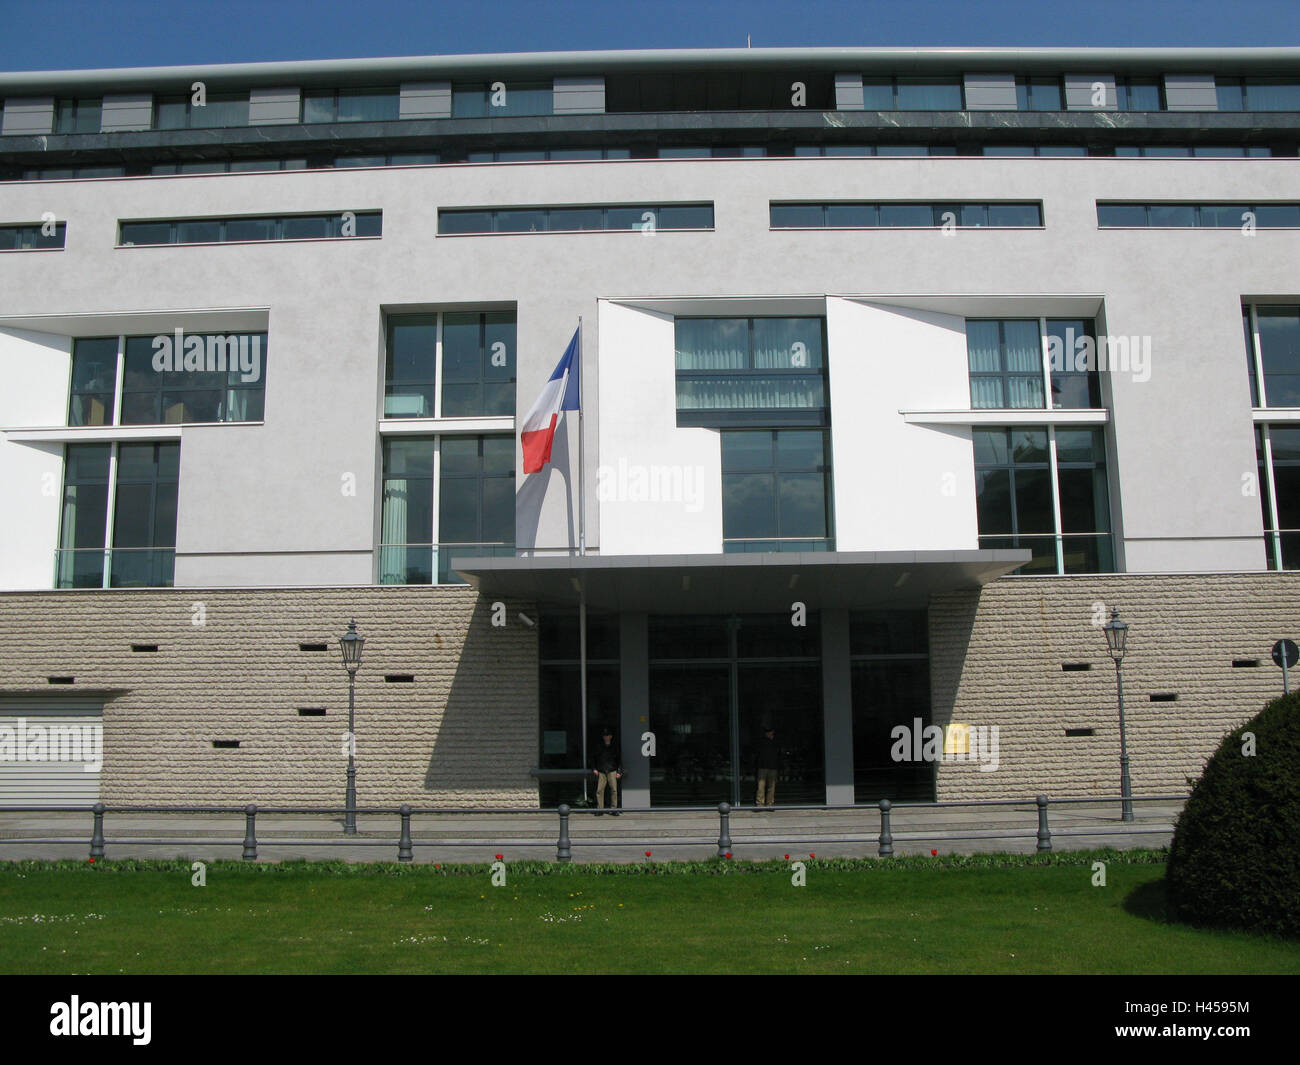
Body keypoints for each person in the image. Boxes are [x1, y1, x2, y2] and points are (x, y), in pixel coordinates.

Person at [591, 728, 622, 815]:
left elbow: (619, 760)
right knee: (600, 790)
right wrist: (594, 768)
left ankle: (614, 809)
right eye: (605, 736)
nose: (606, 737)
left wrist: (619, 771)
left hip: (612, 770)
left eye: (608, 735)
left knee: (614, 790)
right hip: (601, 770)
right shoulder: (599, 746)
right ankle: (600, 809)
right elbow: (593, 758)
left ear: (611, 737)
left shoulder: (615, 747)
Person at [756, 724, 780, 809]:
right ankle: (760, 804)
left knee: (772, 786)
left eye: (772, 732)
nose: (771, 734)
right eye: (769, 732)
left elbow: (777, 753)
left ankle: (770, 804)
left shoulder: (775, 742)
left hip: (773, 767)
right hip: (763, 766)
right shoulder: (762, 741)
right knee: (761, 786)